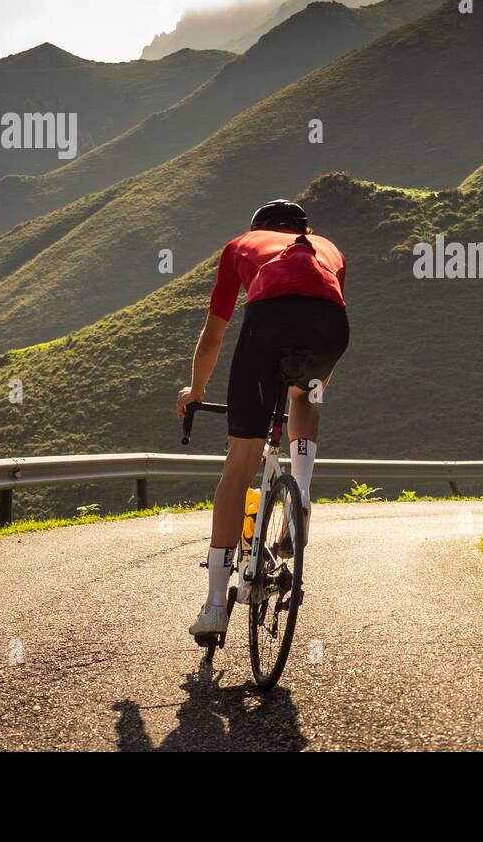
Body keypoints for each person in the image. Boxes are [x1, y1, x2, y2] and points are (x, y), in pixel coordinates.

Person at [177, 198, 349, 639]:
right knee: (306, 396)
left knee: (239, 467)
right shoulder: (328, 248)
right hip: (331, 324)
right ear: (304, 231)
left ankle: (216, 606)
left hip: (268, 319)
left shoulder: (241, 245)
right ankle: (303, 493)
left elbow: (214, 335)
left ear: (259, 227)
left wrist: (195, 391)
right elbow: (322, 307)